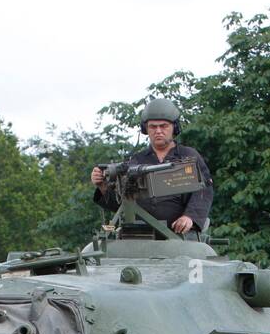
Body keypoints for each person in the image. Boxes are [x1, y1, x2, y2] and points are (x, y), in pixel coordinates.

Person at [90, 98, 214, 235]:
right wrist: (102, 186)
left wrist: (190, 217)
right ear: (146, 129)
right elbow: (123, 203)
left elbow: (204, 191)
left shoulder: (188, 156)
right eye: (153, 127)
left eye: (164, 126)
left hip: (179, 235)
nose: (158, 131)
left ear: (174, 127)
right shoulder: (136, 161)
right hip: (141, 237)